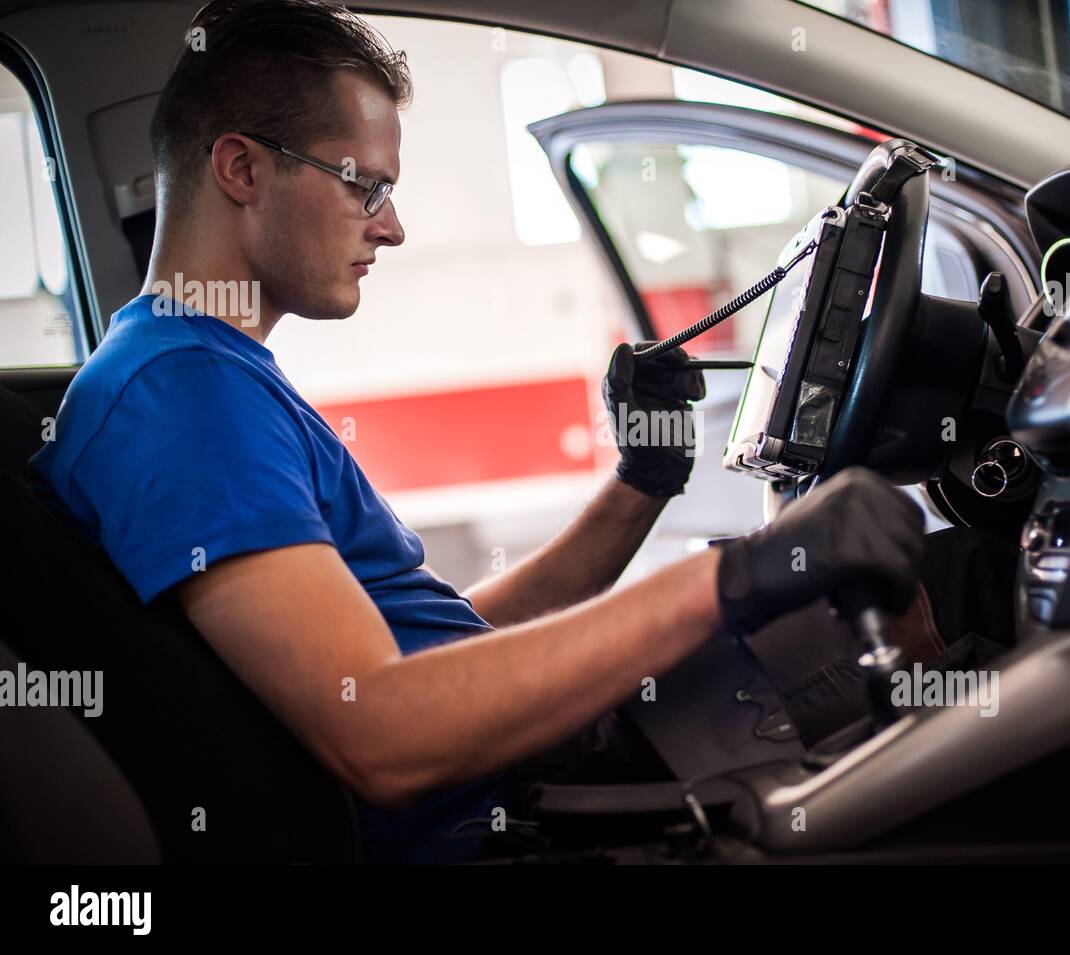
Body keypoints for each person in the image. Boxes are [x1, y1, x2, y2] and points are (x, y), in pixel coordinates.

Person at [28, 0, 926, 862]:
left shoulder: (196, 371)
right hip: (514, 815)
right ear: (241, 169)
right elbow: (380, 726)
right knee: (939, 605)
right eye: (364, 185)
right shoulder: (182, 395)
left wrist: (640, 485)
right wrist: (731, 577)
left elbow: (445, 645)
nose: (393, 226)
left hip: (530, 777)